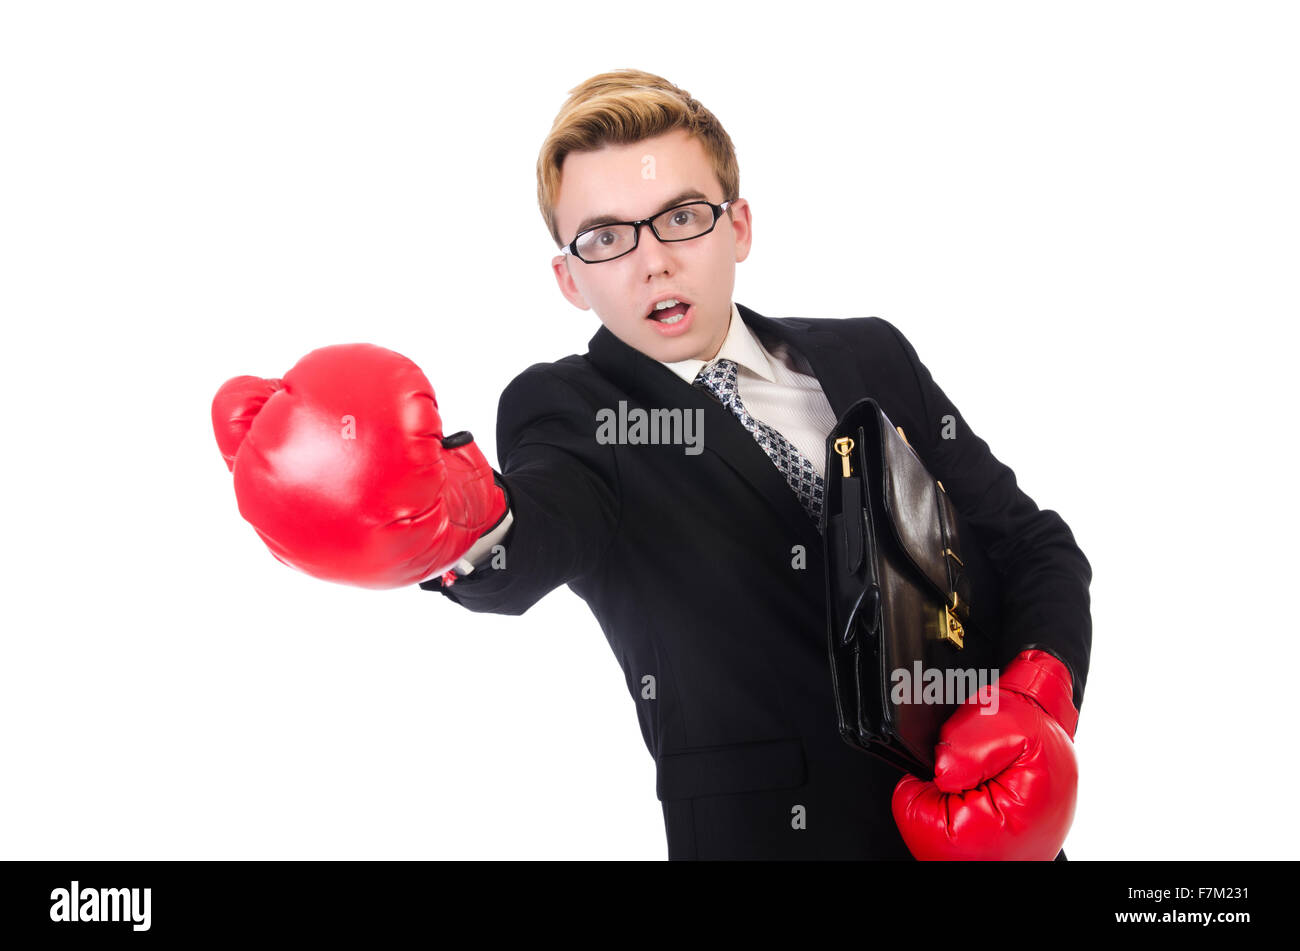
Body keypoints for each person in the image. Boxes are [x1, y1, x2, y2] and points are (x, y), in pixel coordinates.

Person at [213, 69, 1092, 860]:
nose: (652, 259)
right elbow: (545, 520)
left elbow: (1033, 545)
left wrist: (1038, 700)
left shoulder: (872, 354)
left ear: (737, 226)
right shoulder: (573, 411)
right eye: (604, 238)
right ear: (568, 279)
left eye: (680, 216)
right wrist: (453, 521)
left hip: (1001, 838)